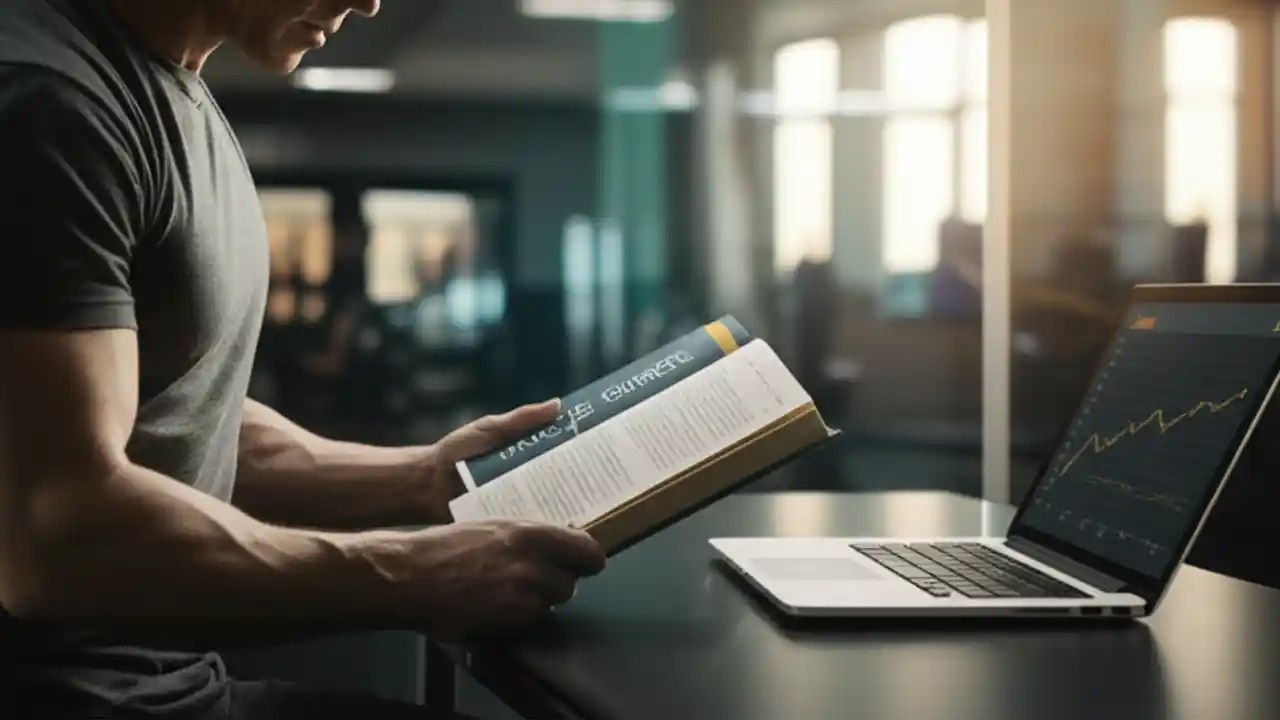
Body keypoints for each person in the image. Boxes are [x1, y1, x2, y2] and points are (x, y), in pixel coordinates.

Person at [0, 1, 608, 718]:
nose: (370, 2)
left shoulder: (166, 86)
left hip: (163, 683)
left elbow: (176, 413)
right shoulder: (50, 100)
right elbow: (54, 535)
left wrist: (426, 477)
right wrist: (413, 573)